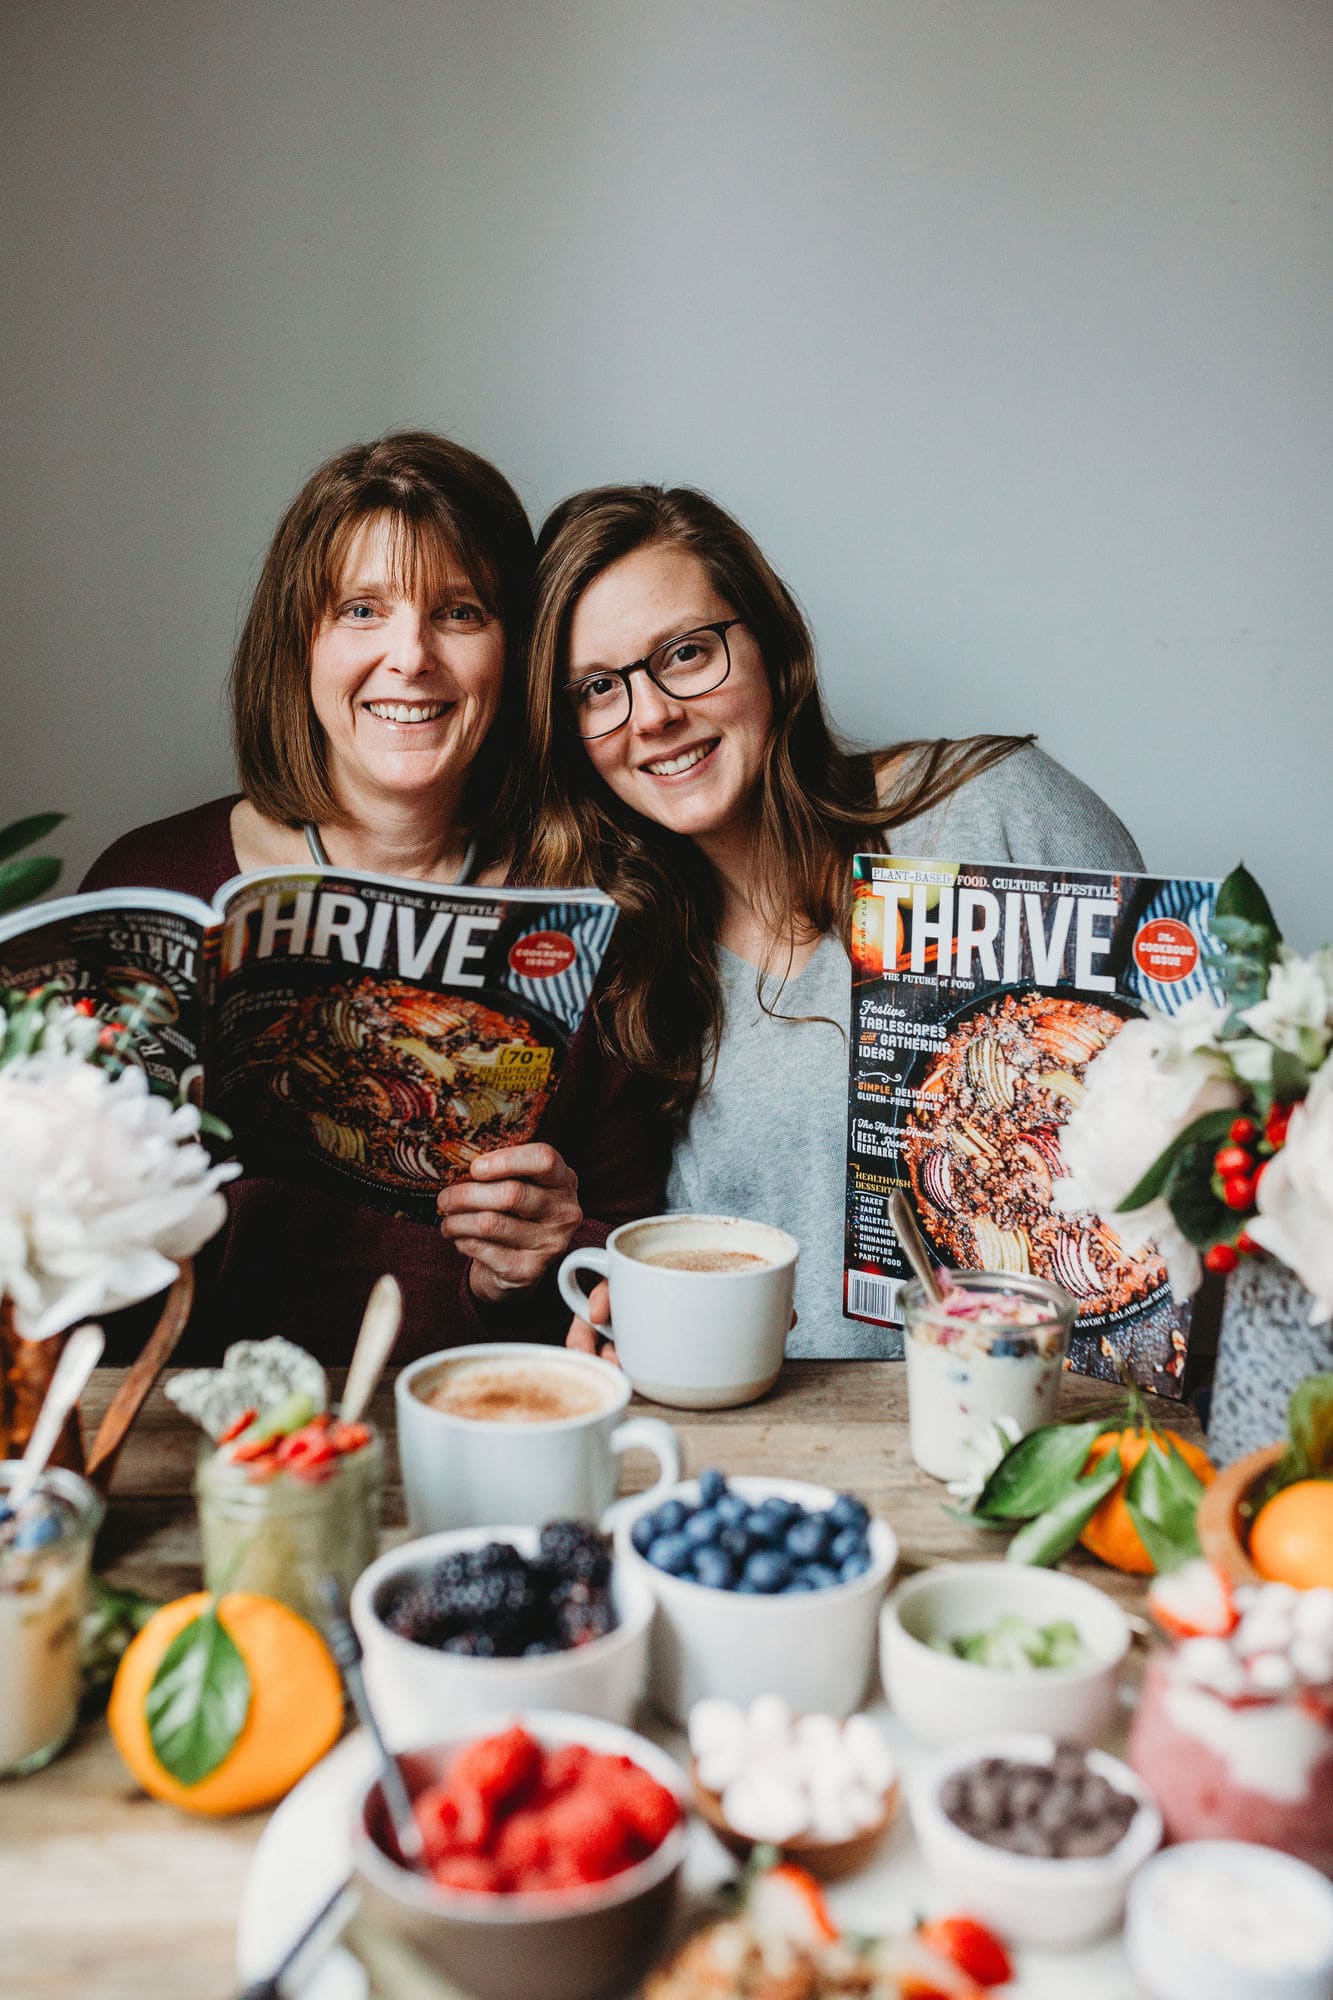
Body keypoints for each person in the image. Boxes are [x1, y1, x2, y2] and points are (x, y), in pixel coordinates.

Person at [521, 484, 1143, 1359]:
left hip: (1062, 1428)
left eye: (687, 653)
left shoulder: (986, 811)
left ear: (770, 645)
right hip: (795, 1461)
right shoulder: (636, 976)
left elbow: (1213, 1101)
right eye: (596, 688)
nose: (652, 713)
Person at [83, 434, 668, 1363]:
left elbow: (635, 1255)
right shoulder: (151, 880)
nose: (411, 657)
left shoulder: (591, 912)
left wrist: (551, 1253)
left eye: (459, 612)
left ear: (513, 649)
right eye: (361, 610)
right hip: (195, 1457)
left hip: (479, 1428)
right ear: (300, 643)